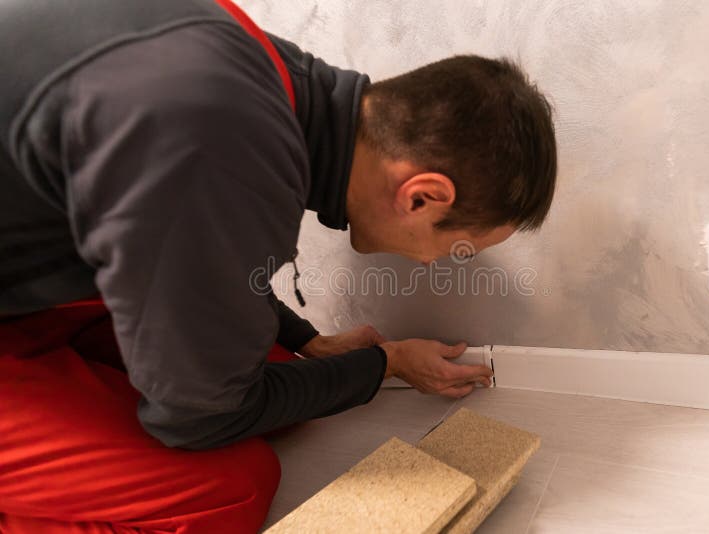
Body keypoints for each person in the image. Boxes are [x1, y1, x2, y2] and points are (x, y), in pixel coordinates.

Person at [0, 0, 557, 532]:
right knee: (231, 487)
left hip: (32, 272)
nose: (438, 261)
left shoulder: (263, 80)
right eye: (458, 247)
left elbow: (194, 241)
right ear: (421, 197)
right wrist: (381, 365)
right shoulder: (214, 142)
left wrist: (306, 340)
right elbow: (196, 421)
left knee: (265, 369)